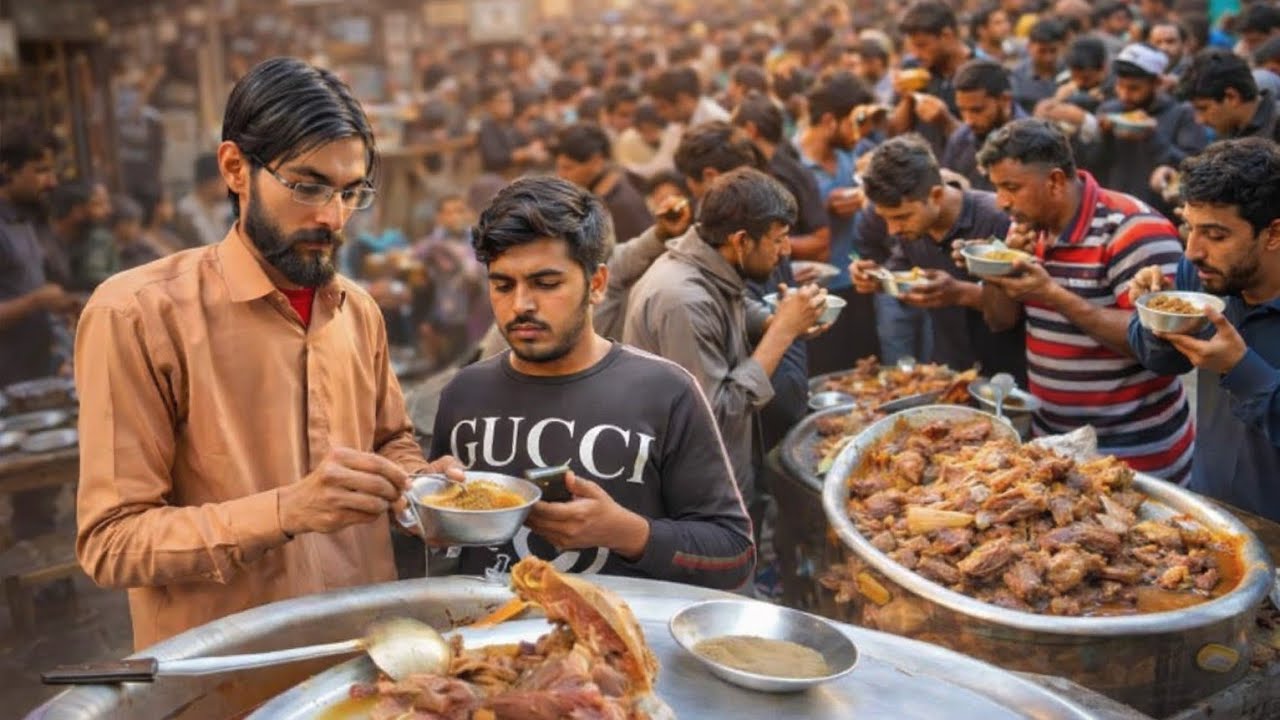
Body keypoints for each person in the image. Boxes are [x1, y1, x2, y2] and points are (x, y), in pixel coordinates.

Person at [75, 57, 461, 650]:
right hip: (230, 672)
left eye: (350, 193)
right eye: (307, 186)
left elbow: (390, 440)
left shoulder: (357, 310)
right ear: (236, 168)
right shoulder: (137, 314)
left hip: (363, 653)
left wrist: (420, 488)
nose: (332, 217)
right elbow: (112, 542)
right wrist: (284, 511)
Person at [429, 177, 754, 587]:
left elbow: (734, 553)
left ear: (596, 284)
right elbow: (440, 545)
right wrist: (424, 505)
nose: (521, 305)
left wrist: (629, 533)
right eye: (503, 285)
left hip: (621, 627)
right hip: (481, 626)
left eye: (547, 284)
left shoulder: (666, 392)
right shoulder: (464, 393)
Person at [973, 119, 1194, 483]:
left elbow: (1160, 345)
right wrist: (999, 272)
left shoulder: (1133, 229)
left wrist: (1053, 295)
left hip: (1136, 454)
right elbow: (999, 321)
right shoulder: (1026, 228)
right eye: (996, 188)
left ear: (1055, 181)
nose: (1001, 202)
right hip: (1054, 448)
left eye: (1011, 187)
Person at [624, 167, 827, 511]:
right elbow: (715, 415)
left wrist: (778, 319)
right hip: (697, 494)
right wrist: (782, 331)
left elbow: (733, 306)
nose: (785, 251)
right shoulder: (682, 300)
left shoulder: (708, 267)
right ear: (741, 241)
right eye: (778, 239)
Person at [1127, 137, 1280, 521]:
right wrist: (1155, 318)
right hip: (1210, 508)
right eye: (1189, 227)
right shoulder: (1202, 275)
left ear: (1274, 234)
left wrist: (1240, 368)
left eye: (1216, 235)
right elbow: (1163, 362)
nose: (1192, 251)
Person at [850, 136, 1026, 383]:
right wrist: (876, 278)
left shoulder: (999, 219)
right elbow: (900, 267)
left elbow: (1016, 310)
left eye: (901, 217)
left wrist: (961, 293)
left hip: (1006, 377)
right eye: (885, 218)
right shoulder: (913, 229)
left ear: (936, 194)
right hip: (949, 370)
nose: (892, 230)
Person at [0, 128, 76, 543]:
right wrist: (36, 301)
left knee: (42, 499)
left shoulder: (23, 222)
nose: (51, 180)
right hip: (7, 382)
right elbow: (30, 298)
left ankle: (48, 576)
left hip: (36, 375)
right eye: (40, 170)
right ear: (6, 170)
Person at [1073, 44, 1207, 216]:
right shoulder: (1110, 110)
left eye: (1134, 88)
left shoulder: (1181, 114)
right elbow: (1092, 164)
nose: (1124, 94)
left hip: (1160, 214)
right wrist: (1101, 134)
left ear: (1156, 83)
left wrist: (1152, 136)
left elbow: (1194, 167)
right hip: (1116, 210)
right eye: (1120, 86)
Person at [1150, 48, 1280, 193]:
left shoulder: (1275, 124)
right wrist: (1181, 180)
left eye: (1203, 108)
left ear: (1231, 97)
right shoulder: (1229, 128)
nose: (1199, 120)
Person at [732, 92, 830, 266]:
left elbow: (820, 240)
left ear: (750, 130)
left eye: (734, 131)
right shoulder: (738, 171)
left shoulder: (793, 173)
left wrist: (769, 242)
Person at [552, 122, 653, 245]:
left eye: (568, 168)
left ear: (596, 161)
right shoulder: (603, 193)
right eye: (558, 167)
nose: (561, 175)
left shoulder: (619, 206)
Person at [941, 59, 1026, 191]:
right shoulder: (960, 140)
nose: (968, 120)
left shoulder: (1032, 144)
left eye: (977, 110)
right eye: (962, 110)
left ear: (1005, 100)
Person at [1012, 18, 1069, 114]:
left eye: (1053, 51)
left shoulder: (1072, 73)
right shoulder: (1017, 76)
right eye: (1042, 51)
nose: (1048, 58)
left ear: (1062, 47)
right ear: (1029, 47)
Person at [175, 153, 233, 247]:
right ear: (210, 182)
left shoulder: (225, 208)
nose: (230, 184)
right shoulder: (187, 211)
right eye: (224, 179)